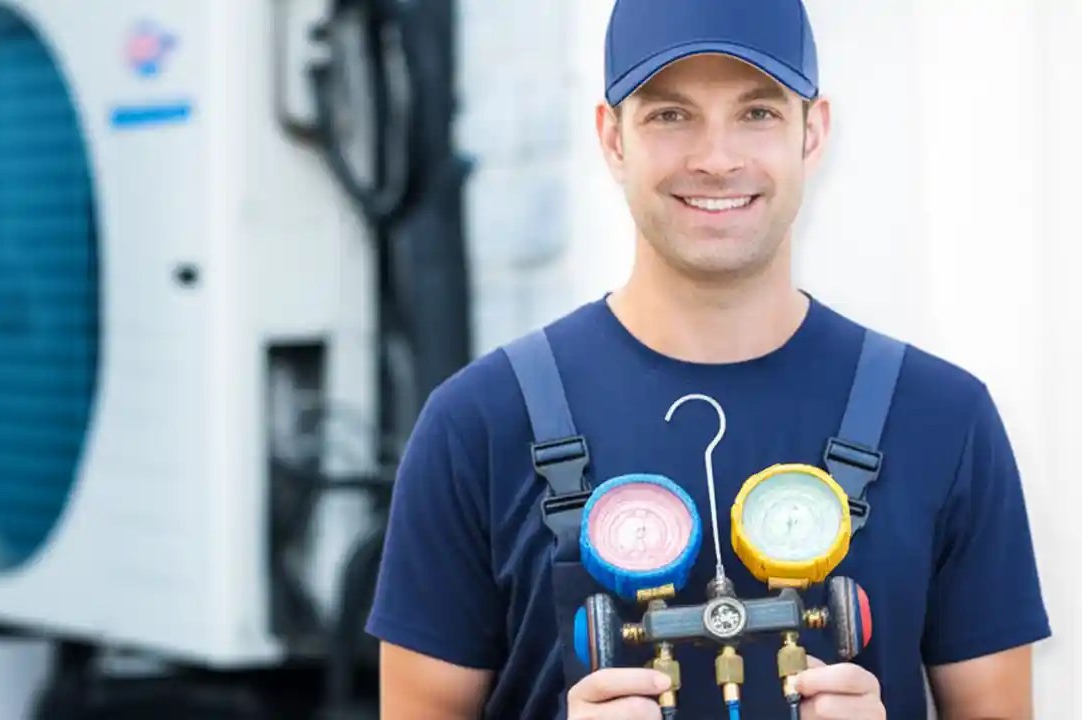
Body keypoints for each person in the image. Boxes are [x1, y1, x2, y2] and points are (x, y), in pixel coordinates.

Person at [364, 0, 1052, 717]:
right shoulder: (477, 424)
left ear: (812, 133)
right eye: (670, 115)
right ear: (612, 137)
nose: (717, 159)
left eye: (756, 113)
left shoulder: (942, 418)